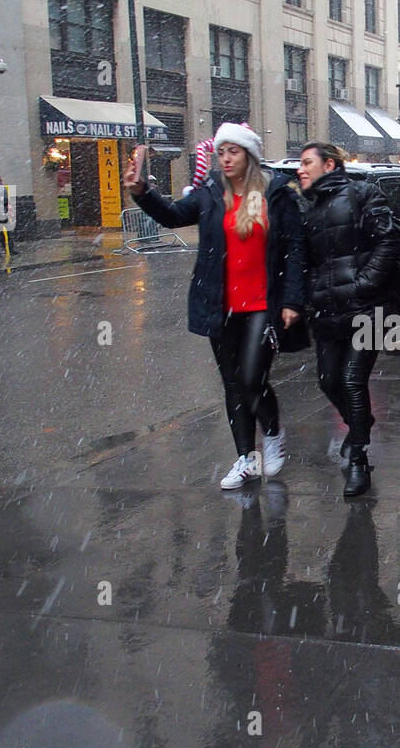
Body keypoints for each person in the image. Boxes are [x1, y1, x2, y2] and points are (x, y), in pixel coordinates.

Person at [123, 123, 308, 489]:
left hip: (262, 305)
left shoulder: (273, 195)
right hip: (220, 304)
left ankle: (272, 433)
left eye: (233, 152)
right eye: (221, 152)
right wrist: (142, 192)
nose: (225, 159)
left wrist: (292, 300)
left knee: (253, 379)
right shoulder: (210, 194)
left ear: (249, 156)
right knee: (232, 384)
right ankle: (245, 458)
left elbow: (295, 248)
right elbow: (174, 215)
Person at [294, 141, 399, 498]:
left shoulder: (362, 193)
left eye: (307, 163)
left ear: (329, 164)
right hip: (327, 309)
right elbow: (304, 261)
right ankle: (361, 424)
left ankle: (358, 456)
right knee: (328, 381)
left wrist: (363, 284)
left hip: (366, 307)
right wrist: (310, 296)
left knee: (352, 380)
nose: (300, 169)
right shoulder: (308, 209)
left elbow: (387, 242)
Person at [0, 176, 17, 257]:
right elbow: (5, 200)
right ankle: (11, 250)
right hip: (3, 213)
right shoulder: (2, 188)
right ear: (0, 181)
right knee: (9, 232)